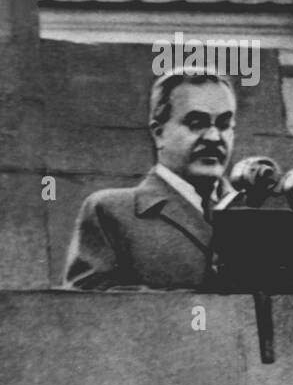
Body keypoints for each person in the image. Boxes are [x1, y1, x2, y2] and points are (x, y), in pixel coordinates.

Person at [64, 69, 236, 290]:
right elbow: (89, 310)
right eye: (196, 123)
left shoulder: (258, 213)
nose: (214, 137)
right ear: (158, 133)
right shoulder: (112, 211)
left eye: (223, 125)